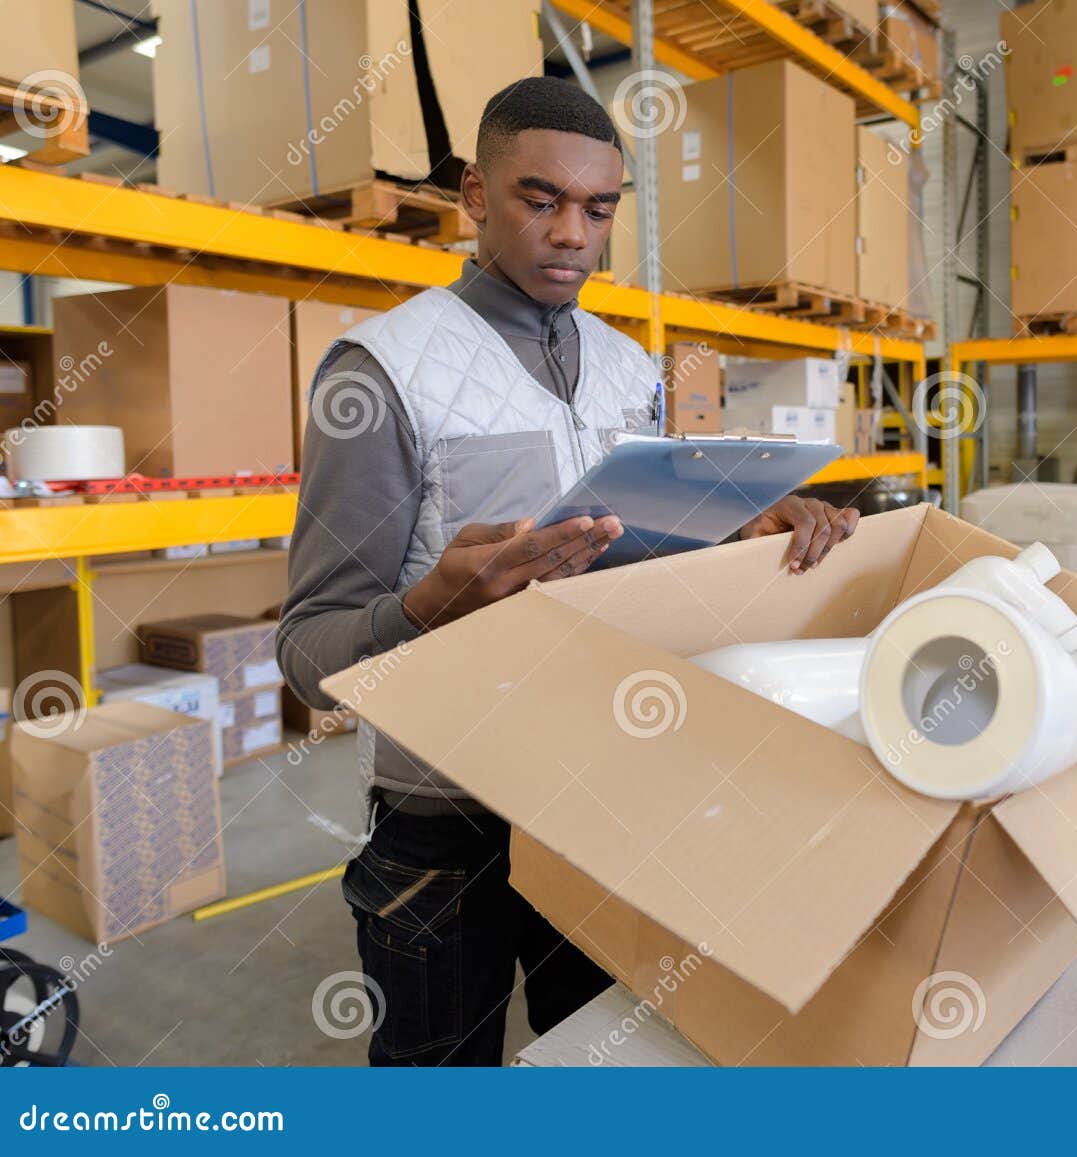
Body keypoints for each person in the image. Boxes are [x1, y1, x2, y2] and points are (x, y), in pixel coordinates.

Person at [277, 77, 860, 1066]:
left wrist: (758, 527)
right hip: (443, 825)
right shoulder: (382, 375)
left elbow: (651, 559)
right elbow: (306, 649)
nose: (571, 235)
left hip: (603, 799)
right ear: (473, 194)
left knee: (600, 1065)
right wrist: (429, 605)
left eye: (598, 209)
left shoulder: (633, 370)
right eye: (538, 199)